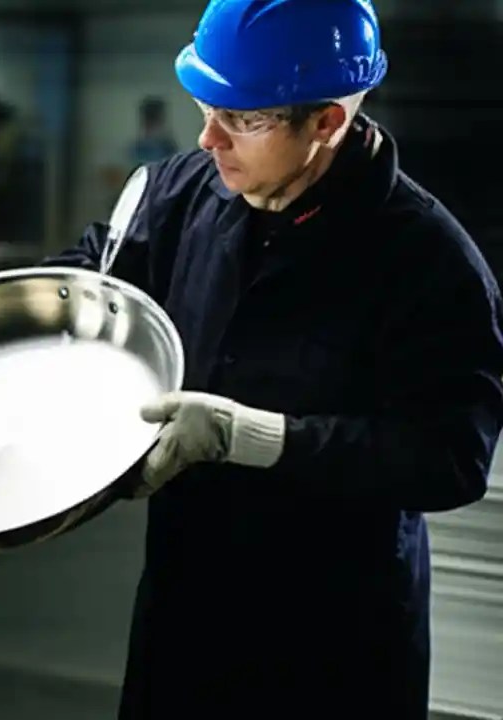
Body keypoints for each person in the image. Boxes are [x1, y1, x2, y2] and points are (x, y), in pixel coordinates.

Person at [42, 1, 503, 718]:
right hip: (184, 616)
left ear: (327, 123)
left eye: (244, 119)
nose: (208, 137)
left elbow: (449, 458)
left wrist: (247, 437)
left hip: (336, 647)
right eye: (206, 106)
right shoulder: (181, 195)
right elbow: (93, 287)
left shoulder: (430, 265)